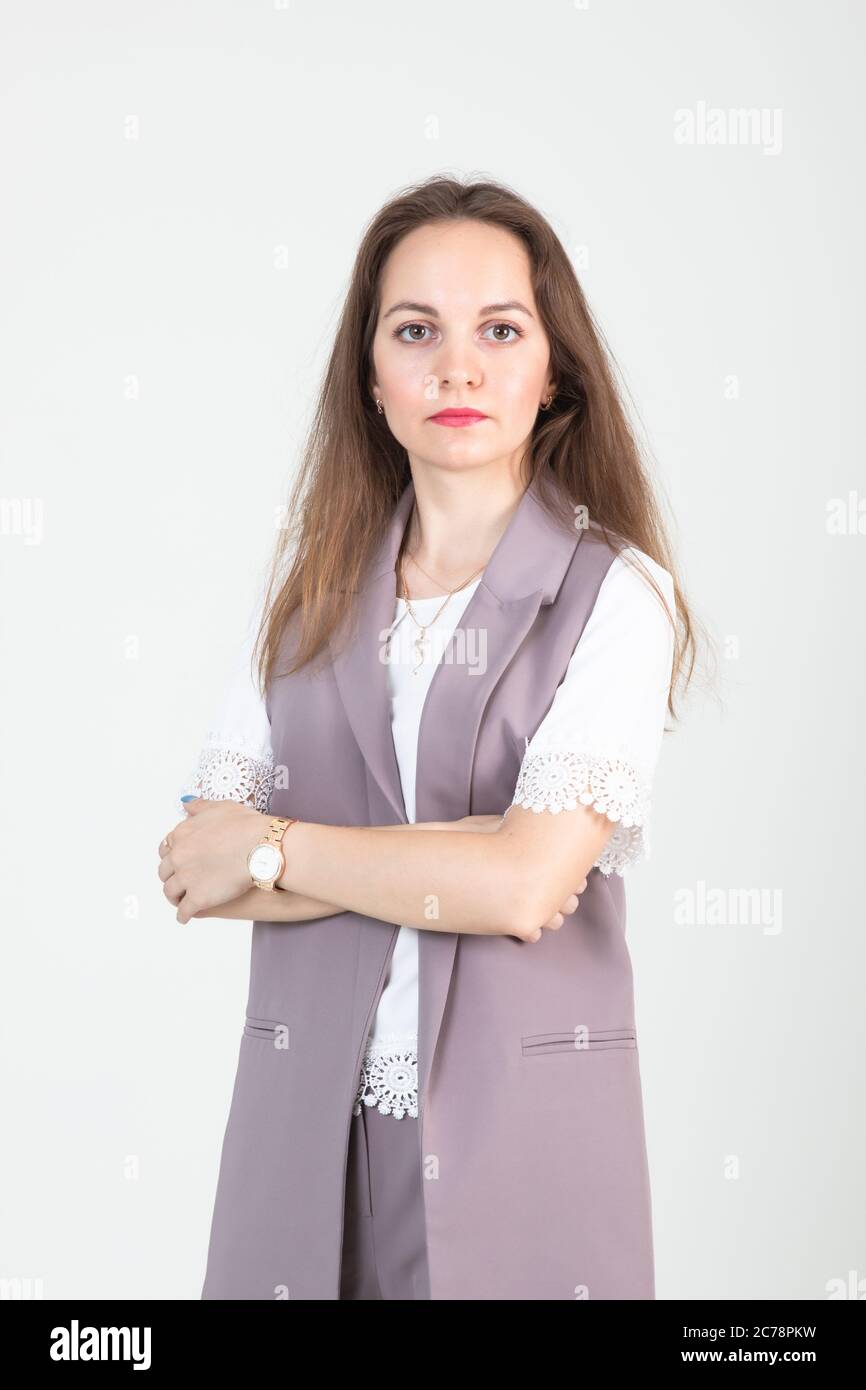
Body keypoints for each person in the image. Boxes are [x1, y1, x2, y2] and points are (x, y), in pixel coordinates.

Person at [158, 174, 697, 1300]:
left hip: (520, 1150)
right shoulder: (307, 595)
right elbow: (199, 866)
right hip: (302, 1132)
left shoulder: (615, 595)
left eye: (499, 329)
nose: (457, 366)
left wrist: (281, 847)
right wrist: (448, 854)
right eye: (416, 331)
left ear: (554, 372)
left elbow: (518, 885)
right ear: (370, 375)